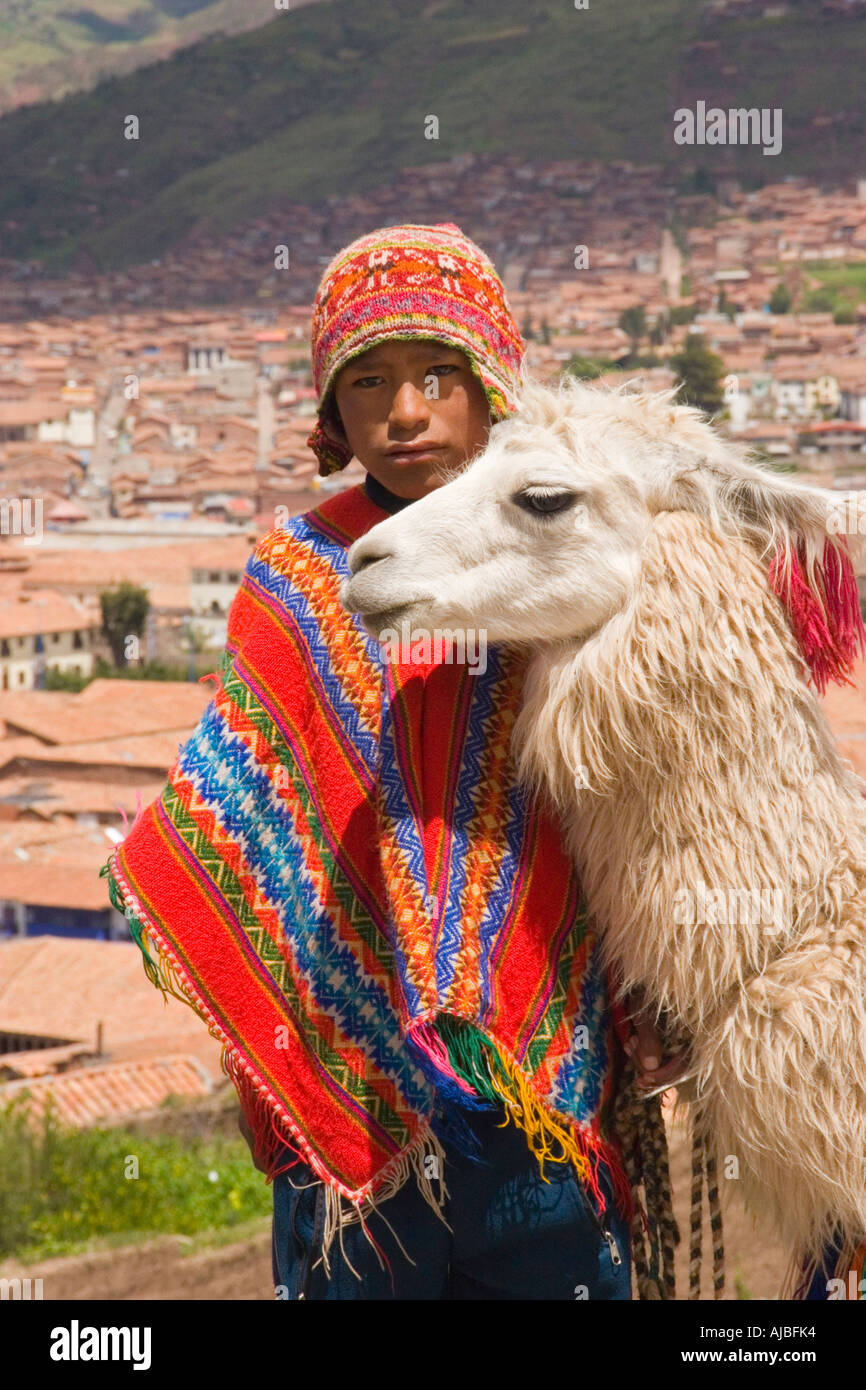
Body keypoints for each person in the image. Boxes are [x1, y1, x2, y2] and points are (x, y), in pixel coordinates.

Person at [106, 222, 683, 1301]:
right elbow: (260, 822)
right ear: (329, 410)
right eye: (366, 380)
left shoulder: (566, 558)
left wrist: (654, 984)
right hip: (354, 1099)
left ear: (491, 383)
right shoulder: (298, 579)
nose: (404, 410)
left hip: (538, 1091)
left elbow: (626, 799)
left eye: (435, 374)